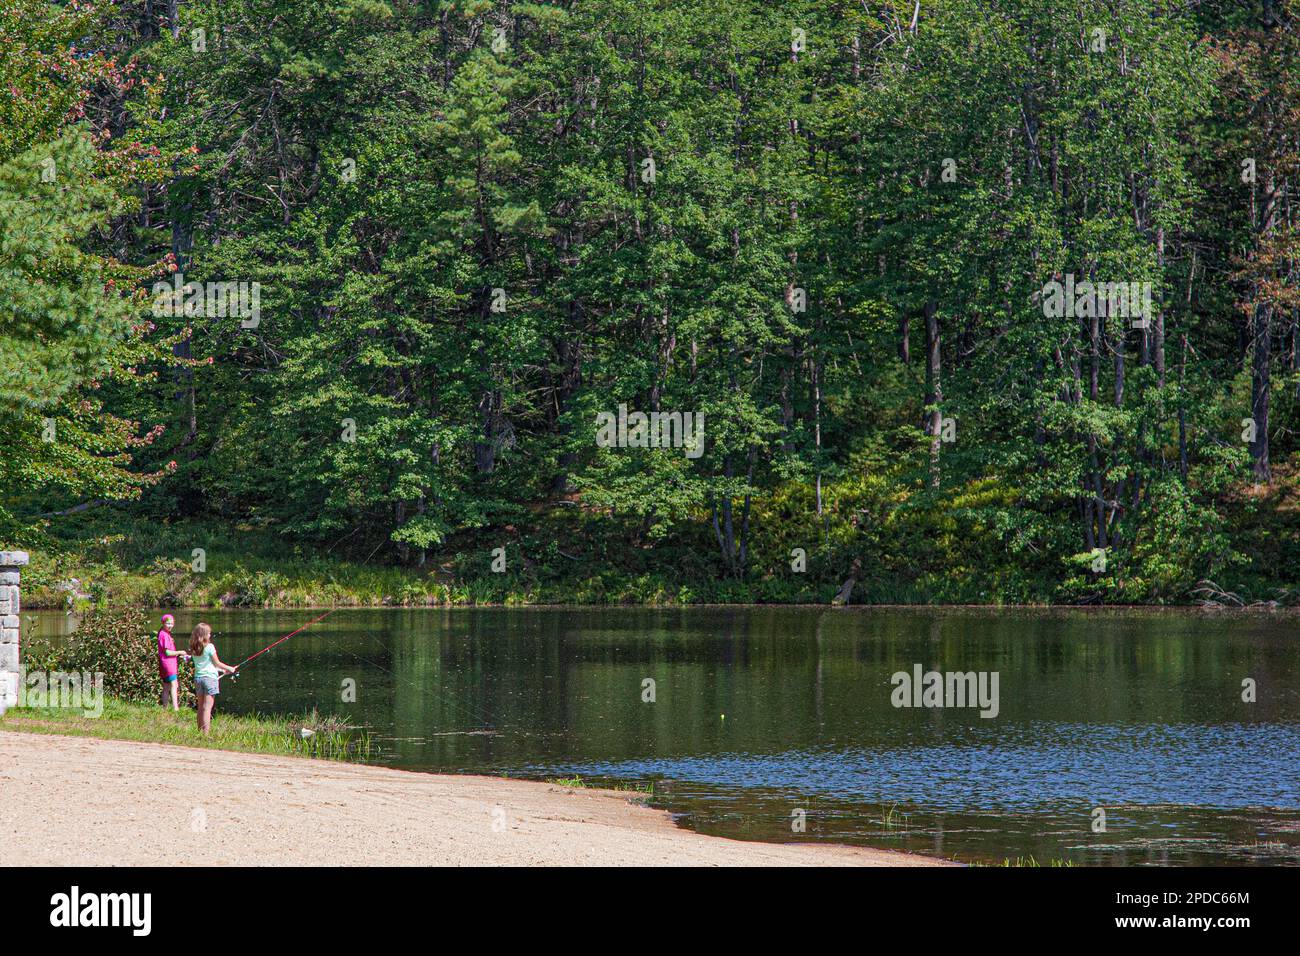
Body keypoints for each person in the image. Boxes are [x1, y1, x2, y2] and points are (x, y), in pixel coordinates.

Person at [188, 623, 238, 735]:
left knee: (200, 707)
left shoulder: (194, 647)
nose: (210, 635)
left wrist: (222, 671)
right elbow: (217, 663)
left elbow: (206, 664)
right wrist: (230, 668)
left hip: (198, 678)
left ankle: (199, 732)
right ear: (204, 635)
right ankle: (205, 735)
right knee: (207, 708)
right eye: (209, 633)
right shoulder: (210, 647)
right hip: (210, 680)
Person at [157, 614, 189, 710]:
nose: (170, 625)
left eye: (171, 623)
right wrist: (179, 652)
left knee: (166, 686)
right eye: (168, 623)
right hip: (168, 664)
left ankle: (165, 708)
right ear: (163, 623)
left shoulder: (164, 633)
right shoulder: (164, 635)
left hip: (165, 663)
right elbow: (167, 652)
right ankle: (176, 709)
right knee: (174, 684)